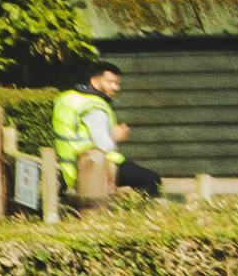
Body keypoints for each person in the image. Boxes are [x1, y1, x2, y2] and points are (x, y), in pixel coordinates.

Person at [50, 59, 161, 203]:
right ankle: (143, 215)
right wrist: (116, 136)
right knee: (151, 179)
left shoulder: (68, 98)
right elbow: (103, 144)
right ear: (95, 80)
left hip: (68, 167)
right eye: (110, 82)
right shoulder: (94, 106)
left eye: (117, 83)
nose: (116, 88)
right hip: (92, 165)